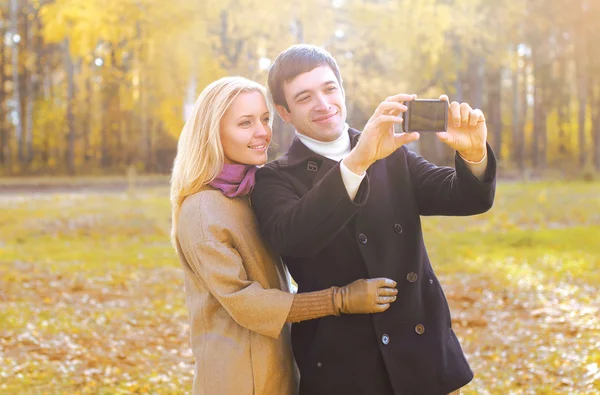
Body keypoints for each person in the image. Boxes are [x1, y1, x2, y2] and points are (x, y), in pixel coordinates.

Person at [250, 44, 497, 395]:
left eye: (329, 89)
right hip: (343, 368)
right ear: (284, 112)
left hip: (423, 358)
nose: (323, 104)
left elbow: (466, 197)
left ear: (342, 90)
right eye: (304, 97)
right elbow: (294, 238)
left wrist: (474, 154)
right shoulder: (274, 178)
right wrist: (358, 161)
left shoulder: (393, 155)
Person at [169, 76, 399, 395]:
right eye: (245, 123)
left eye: (264, 119)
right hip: (237, 381)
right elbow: (249, 304)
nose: (263, 132)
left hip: (279, 372)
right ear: (213, 132)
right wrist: (341, 299)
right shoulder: (202, 210)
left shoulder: (248, 194)